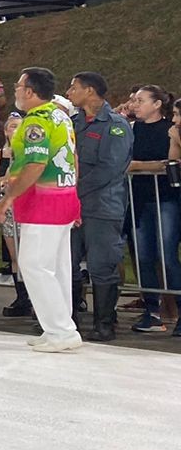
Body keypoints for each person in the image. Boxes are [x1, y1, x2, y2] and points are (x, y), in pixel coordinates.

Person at [0, 67, 82, 352]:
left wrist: (7, 198)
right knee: (56, 266)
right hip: (63, 196)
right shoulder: (60, 115)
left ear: (30, 91)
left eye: (18, 85)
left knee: (33, 264)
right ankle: (57, 326)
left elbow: (35, 164)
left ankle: (61, 331)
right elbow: (73, 157)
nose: (16, 90)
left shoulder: (37, 121)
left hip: (44, 201)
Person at [65, 72, 132, 341]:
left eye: (74, 87)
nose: (69, 91)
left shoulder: (116, 125)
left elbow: (110, 168)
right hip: (72, 207)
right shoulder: (74, 123)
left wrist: (73, 191)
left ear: (90, 91)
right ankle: (67, 321)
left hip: (102, 206)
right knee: (67, 264)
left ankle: (104, 323)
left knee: (101, 265)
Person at [126, 84, 181, 334]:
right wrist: (143, 166)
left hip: (165, 199)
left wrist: (137, 165)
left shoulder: (169, 130)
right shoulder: (131, 130)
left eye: (141, 100)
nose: (135, 104)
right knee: (143, 257)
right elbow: (124, 163)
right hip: (138, 199)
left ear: (157, 104)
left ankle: (178, 308)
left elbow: (169, 164)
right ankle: (152, 310)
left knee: (167, 256)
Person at [0, 112, 31, 316]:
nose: (15, 130)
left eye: (19, 126)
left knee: (30, 253)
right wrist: (5, 180)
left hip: (28, 206)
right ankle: (21, 296)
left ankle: (35, 295)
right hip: (9, 208)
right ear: (6, 131)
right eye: (11, 126)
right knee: (15, 254)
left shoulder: (29, 152)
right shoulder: (1, 154)